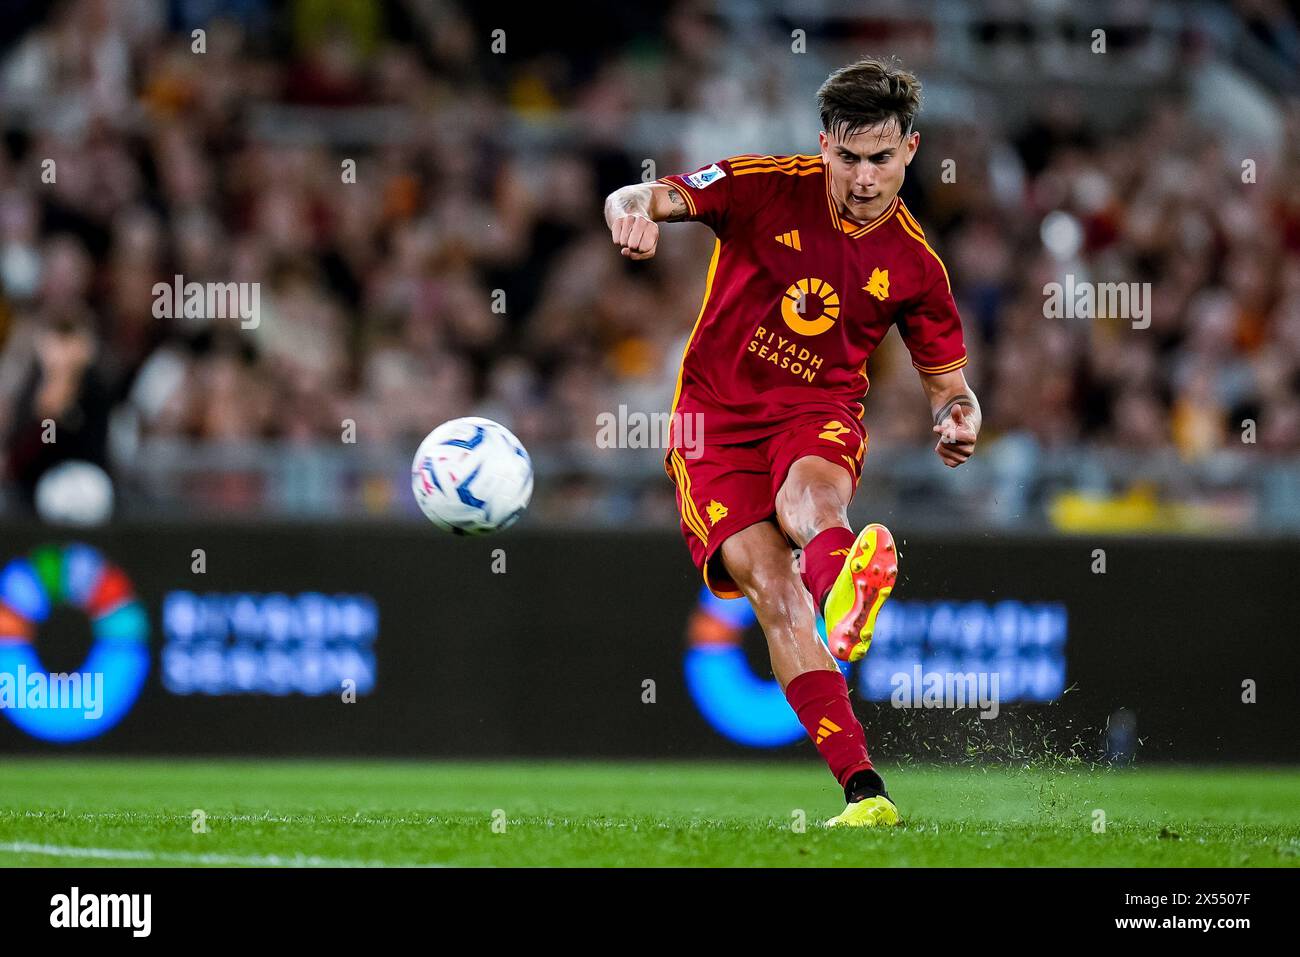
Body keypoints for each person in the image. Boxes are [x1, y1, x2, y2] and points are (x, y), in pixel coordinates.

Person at [603, 57, 981, 826]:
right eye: (849, 157)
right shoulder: (764, 183)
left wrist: (960, 415)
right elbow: (656, 192)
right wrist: (627, 207)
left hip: (816, 409)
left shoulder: (916, 267)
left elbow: (950, 385)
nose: (865, 177)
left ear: (910, 150)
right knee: (775, 593)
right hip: (713, 422)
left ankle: (845, 582)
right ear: (823, 146)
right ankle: (865, 791)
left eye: (881, 158)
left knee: (809, 496)